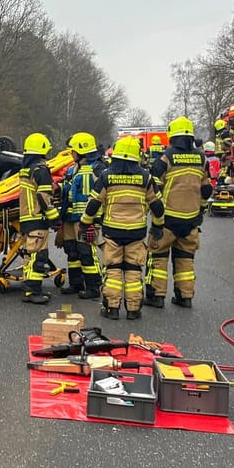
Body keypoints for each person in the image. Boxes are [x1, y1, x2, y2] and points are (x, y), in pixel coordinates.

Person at [80, 136, 165, 321]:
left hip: (112, 232)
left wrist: (85, 223)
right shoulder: (145, 177)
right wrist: (158, 226)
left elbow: (93, 204)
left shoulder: (106, 176)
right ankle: (133, 309)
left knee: (113, 269)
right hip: (137, 232)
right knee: (133, 269)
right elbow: (157, 206)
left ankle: (112, 309)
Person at [144, 116, 212, 309]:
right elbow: (206, 189)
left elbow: (153, 192)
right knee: (185, 260)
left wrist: (153, 216)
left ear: (171, 135)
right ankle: (185, 297)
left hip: (167, 220)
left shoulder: (165, 159)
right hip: (191, 220)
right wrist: (200, 209)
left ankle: (156, 296)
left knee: (158, 258)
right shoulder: (202, 158)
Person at [58, 132, 105, 299]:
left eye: (73, 151)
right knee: (72, 250)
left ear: (82, 151)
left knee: (86, 251)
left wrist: (91, 221)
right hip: (70, 218)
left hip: (87, 219)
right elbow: (67, 190)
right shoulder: (72, 169)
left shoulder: (99, 169)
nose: (71, 154)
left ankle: (93, 286)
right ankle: (76, 283)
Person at [18, 133, 61, 304]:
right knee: (38, 255)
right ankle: (33, 291)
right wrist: (55, 219)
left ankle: (29, 288)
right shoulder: (41, 170)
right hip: (37, 218)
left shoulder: (26, 170)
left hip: (26, 218)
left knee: (30, 256)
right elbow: (43, 197)